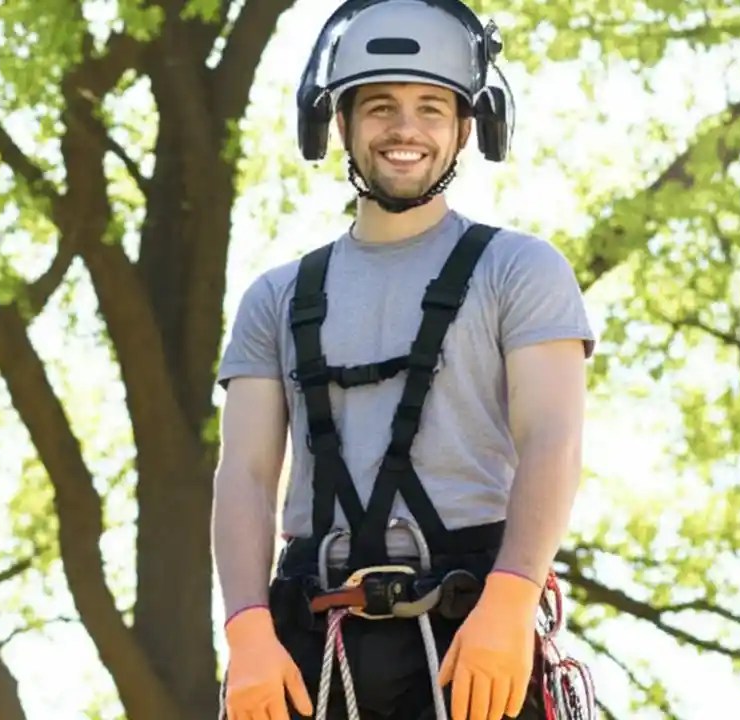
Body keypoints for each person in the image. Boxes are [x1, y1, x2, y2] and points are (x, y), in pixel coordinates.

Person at [211, 1, 597, 719]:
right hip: (307, 636)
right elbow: (246, 475)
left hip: (472, 624)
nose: (405, 129)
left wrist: (512, 601)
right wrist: (247, 633)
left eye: (430, 106)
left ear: (466, 128)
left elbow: (554, 438)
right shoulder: (276, 297)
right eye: (380, 105)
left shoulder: (520, 269)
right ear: (340, 124)